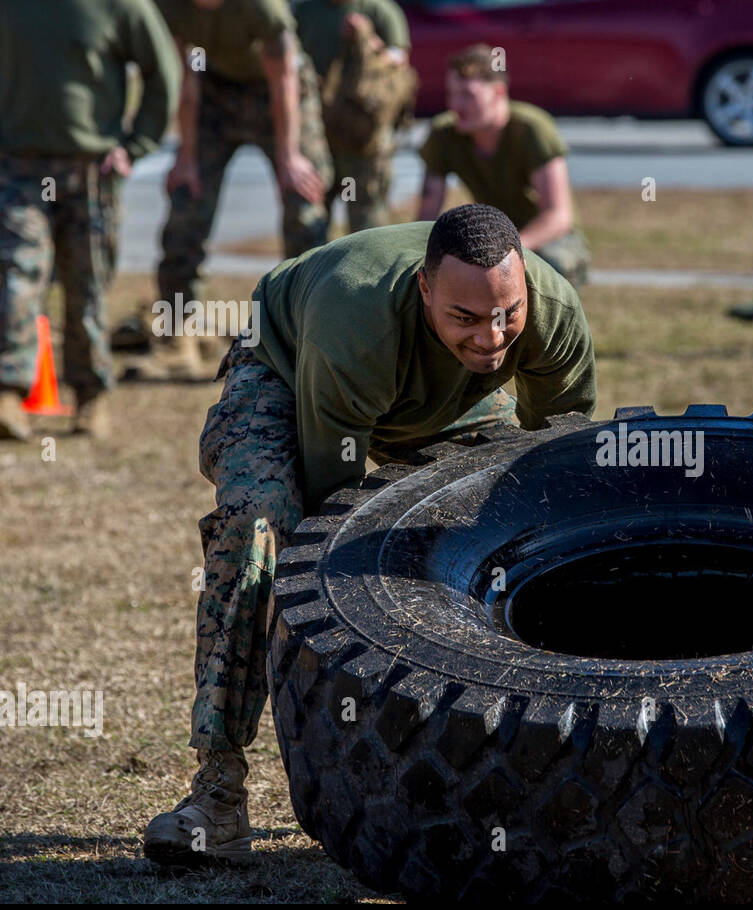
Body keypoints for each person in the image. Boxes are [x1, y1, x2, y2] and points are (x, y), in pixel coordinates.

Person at [143, 204, 597, 864]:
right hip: (290, 366)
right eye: (465, 317)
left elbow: (564, 472)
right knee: (261, 528)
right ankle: (218, 793)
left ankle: (503, 774)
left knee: (505, 536)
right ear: (423, 289)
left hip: (446, 398)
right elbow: (335, 513)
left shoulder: (552, 311)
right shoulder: (354, 319)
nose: (492, 338)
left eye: (507, 314)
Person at [0, 0, 179, 440]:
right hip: (18, 165)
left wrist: (137, 144)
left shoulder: (122, 7)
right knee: (16, 273)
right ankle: (8, 389)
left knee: (87, 282)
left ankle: (90, 394)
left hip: (91, 170)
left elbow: (164, 72)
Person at [134, 0, 333, 381]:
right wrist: (186, 157)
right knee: (186, 199)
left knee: (303, 203)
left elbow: (284, 80)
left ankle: (311, 332)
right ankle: (180, 332)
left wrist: (289, 157)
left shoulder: (263, 9)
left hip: (279, 92)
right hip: (215, 93)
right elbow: (186, 76)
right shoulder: (171, 8)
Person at [417, 44, 589, 288]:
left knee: (549, 266)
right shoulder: (444, 133)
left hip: (547, 240)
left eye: (467, 95)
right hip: (492, 236)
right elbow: (426, 216)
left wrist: (509, 252)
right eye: (451, 94)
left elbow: (559, 216)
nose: (456, 105)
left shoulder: (532, 129)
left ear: (498, 92)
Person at [296, 0, 413, 232]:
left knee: (367, 223)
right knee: (309, 221)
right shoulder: (305, 10)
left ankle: (368, 267)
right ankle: (313, 268)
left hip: (362, 136)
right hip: (318, 132)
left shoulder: (379, 10)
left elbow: (399, 59)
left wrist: (366, 38)